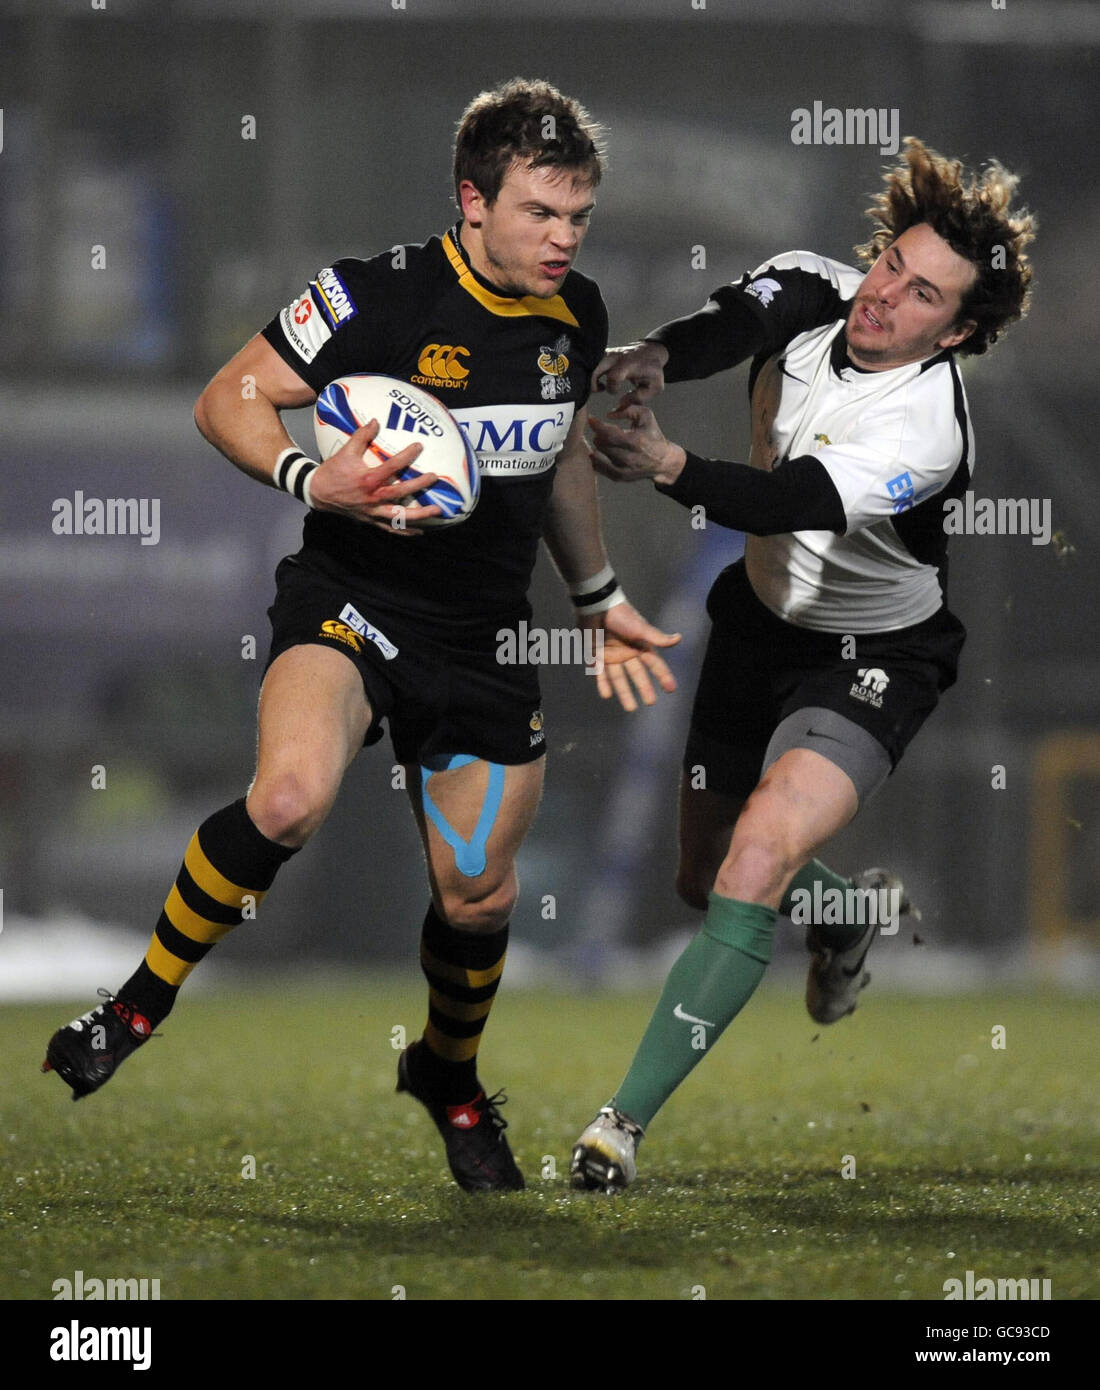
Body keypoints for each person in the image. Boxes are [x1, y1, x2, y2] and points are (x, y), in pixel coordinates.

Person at [43, 78, 678, 1194]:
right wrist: (309, 475)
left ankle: (447, 1074)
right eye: (539, 211)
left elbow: (563, 461)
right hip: (352, 602)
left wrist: (596, 594)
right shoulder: (370, 295)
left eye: (577, 215)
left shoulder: (575, 315)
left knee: (476, 893)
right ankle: (135, 1004)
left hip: (483, 637)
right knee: (287, 798)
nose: (562, 237)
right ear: (470, 201)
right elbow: (227, 396)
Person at [570, 137, 1035, 1190]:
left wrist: (665, 465)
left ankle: (616, 1130)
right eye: (888, 266)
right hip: (759, 628)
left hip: (872, 657)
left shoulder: (925, 424)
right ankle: (845, 913)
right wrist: (652, 358)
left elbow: (790, 503)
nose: (883, 298)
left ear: (955, 330)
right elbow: (729, 323)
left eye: (921, 296)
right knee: (703, 876)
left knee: (752, 857)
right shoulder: (820, 289)